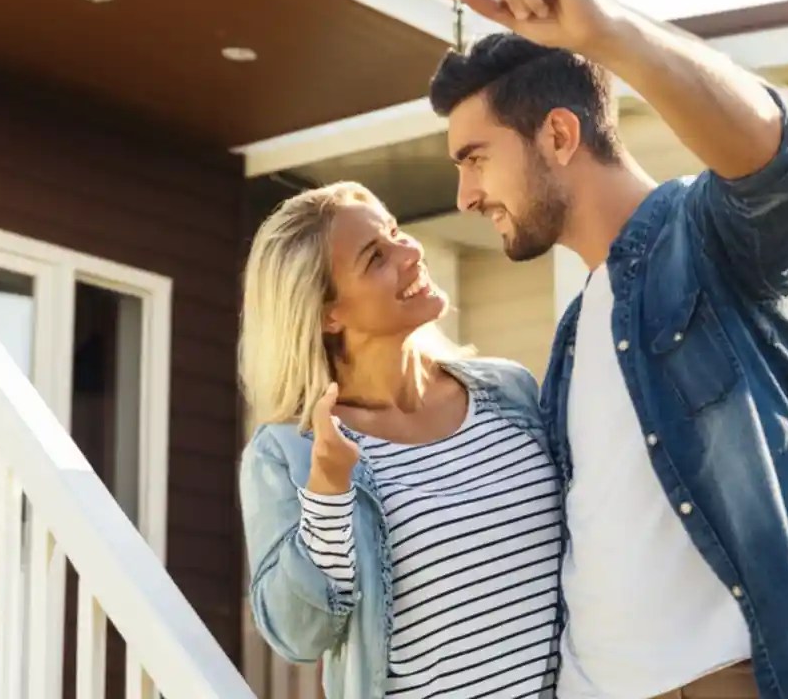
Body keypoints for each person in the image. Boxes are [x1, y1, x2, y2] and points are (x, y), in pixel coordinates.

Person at [427, 0, 788, 697]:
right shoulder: (575, 337)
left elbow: (786, 175)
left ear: (558, 135)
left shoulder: (703, 243)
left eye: (475, 158)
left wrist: (609, 34)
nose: (465, 196)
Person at [238, 181, 566, 698]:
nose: (410, 251)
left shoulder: (509, 391)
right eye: (376, 257)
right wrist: (327, 489)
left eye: (395, 233)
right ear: (328, 313)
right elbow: (297, 635)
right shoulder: (291, 451)